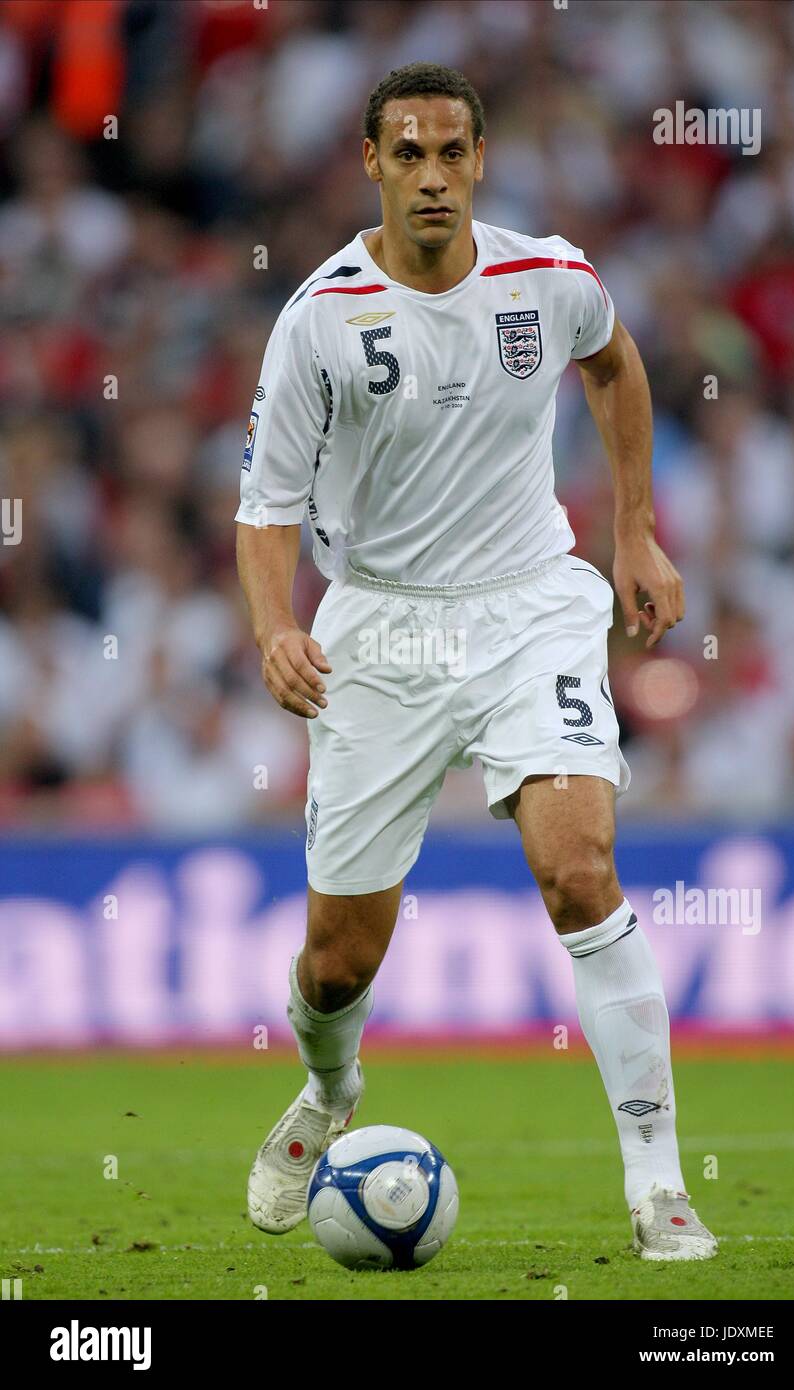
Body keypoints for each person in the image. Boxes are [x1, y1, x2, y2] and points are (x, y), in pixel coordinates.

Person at [235, 62, 717, 1261]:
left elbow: (611, 363)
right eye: (408, 154)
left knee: (578, 869)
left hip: (526, 609)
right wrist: (274, 627)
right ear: (370, 165)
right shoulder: (318, 319)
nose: (433, 176)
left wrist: (631, 526)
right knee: (337, 959)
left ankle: (656, 1186)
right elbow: (264, 508)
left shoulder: (547, 275)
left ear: (480, 160)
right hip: (378, 627)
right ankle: (330, 1086)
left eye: (452, 152)